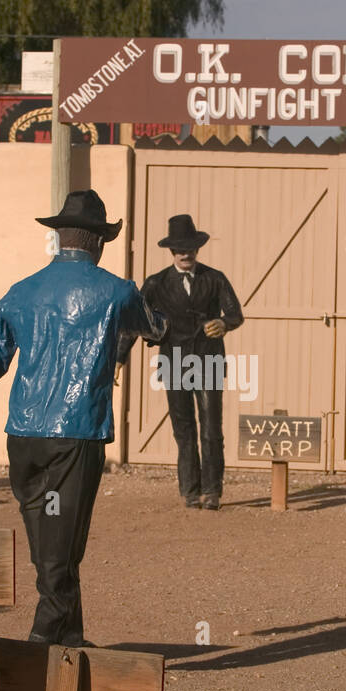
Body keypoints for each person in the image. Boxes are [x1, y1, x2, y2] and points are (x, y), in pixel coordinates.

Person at [0, 190, 165, 647]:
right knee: (63, 545)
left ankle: (70, 639)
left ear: (59, 238)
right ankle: (41, 637)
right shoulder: (117, 291)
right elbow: (152, 328)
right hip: (76, 434)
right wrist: (164, 328)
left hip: (23, 435)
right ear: (97, 242)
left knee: (47, 540)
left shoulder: (21, 291)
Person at [115, 214, 244, 510]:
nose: (186, 254)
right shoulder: (156, 283)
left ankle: (212, 491)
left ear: (197, 250)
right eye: (180, 250)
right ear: (171, 252)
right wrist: (119, 357)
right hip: (174, 362)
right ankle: (190, 490)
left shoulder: (215, 278)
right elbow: (135, 322)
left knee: (211, 429)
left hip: (209, 361)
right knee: (183, 428)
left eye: (191, 249)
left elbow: (236, 314)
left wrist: (224, 324)